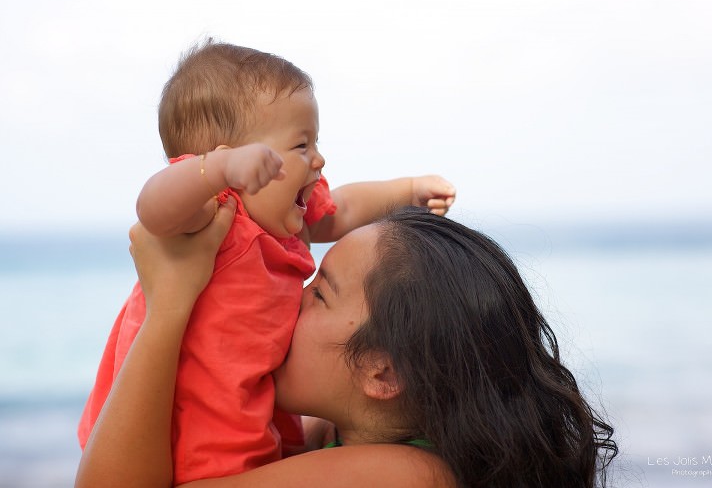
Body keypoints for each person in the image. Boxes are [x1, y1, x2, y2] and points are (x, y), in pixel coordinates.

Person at [77, 41, 456, 484]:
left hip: (244, 426)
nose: (319, 159)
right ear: (228, 158)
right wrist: (217, 170)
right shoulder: (216, 213)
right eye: (301, 144)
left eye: (315, 141)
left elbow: (344, 209)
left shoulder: (288, 225)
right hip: (183, 430)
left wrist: (406, 188)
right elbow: (153, 210)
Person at [76, 205, 617, 488]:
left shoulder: (406, 476)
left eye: (320, 294)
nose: (290, 297)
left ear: (382, 373)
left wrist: (167, 305)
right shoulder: (344, 436)